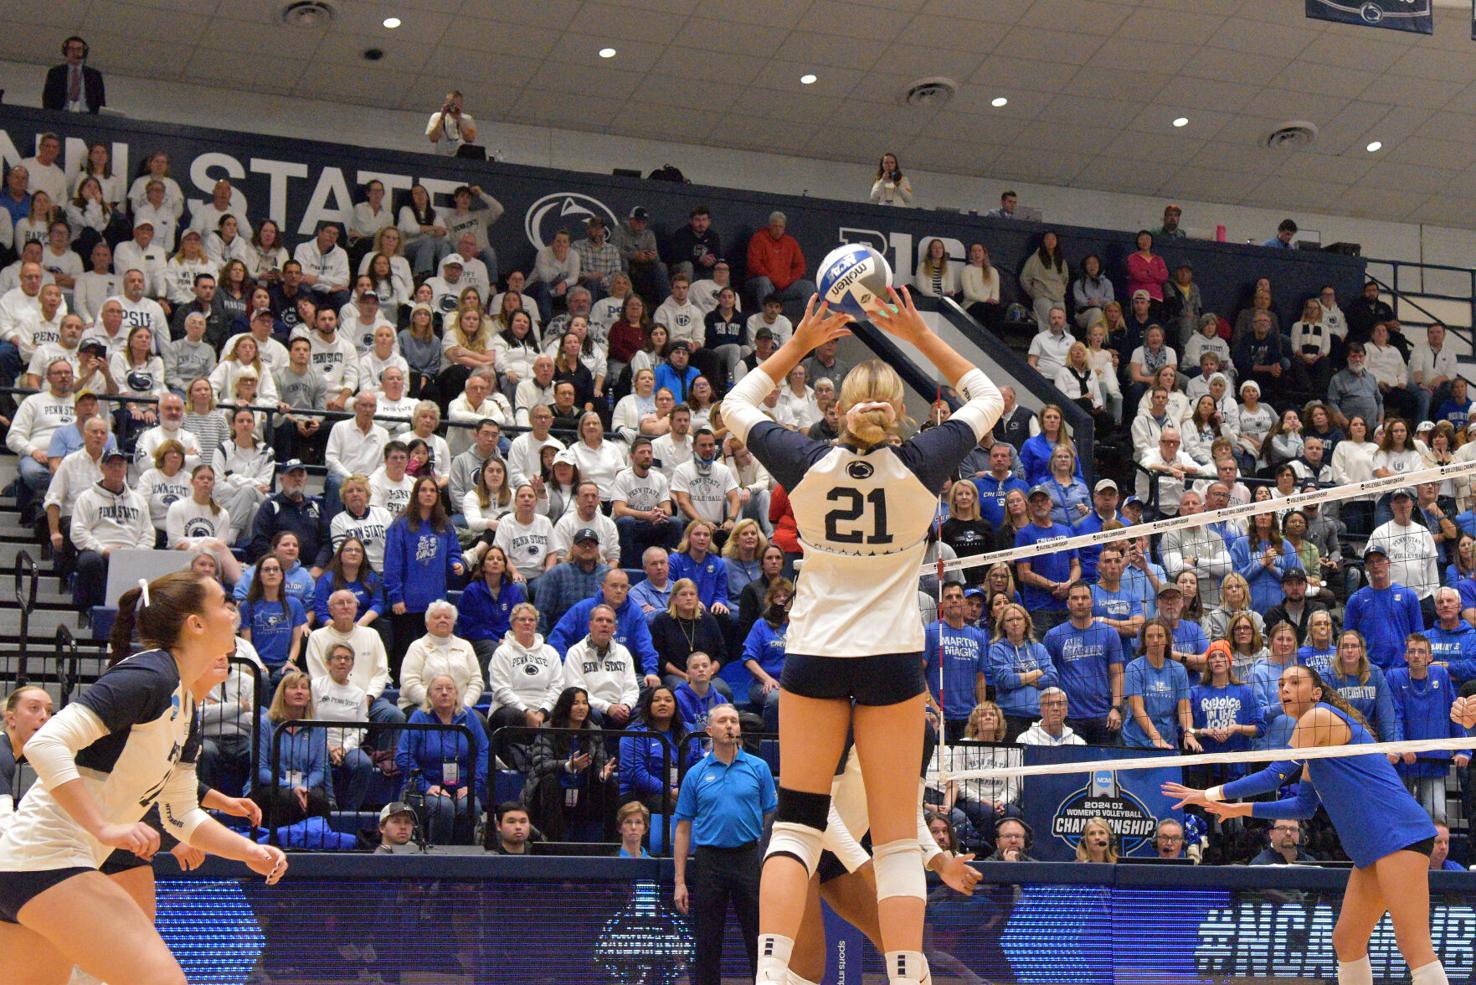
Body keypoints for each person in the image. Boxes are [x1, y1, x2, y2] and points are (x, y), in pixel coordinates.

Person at [719, 287, 1001, 985]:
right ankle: (907, 972)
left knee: (796, 824)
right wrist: (916, 335)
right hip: (891, 659)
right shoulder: (923, 460)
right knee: (897, 834)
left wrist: (798, 345)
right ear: (897, 412)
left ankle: (770, 973)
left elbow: (735, 405)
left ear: (838, 409)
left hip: (815, 654)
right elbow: (989, 395)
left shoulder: (807, 460)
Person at [0, 572, 287, 985]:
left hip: (22, 870)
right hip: (48, 860)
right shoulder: (151, 674)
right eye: (223, 604)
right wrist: (103, 827)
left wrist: (247, 851)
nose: (233, 612)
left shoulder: (184, 705)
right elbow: (46, 743)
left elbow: (180, 814)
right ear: (196, 624)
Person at [1169, 666, 1453, 985]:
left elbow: (1274, 776)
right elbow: (1303, 807)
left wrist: (1209, 793)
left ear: (1316, 693)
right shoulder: (1314, 741)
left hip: (1399, 833)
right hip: (1374, 847)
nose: (1284, 689)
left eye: (1295, 682)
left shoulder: (1318, 717)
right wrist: (1239, 809)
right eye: (1281, 684)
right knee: (1347, 940)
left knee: (1413, 944)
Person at [672, 703, 777, 985]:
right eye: (722, 721)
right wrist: (680, 881)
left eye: (734, 720)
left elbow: (771, 817)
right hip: (709, 862)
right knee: (707, 939)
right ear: (709, 730)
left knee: (759, 936)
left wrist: (769, 860)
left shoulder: (758, 768)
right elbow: (683, 828)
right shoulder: (695, 774)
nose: (730, 725)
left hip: (748, 858)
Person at [383, 475, 465, 675]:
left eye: (432, 490)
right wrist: (396, 596)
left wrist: (456, 563)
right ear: (416, 494)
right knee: (405, 652)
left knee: (432, 654)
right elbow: (392, 563)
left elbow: (453, 552)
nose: (428, 494)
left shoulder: (445, 525)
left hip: (434, 601)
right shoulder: (400, 525)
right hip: (406, 603)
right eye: (423, 490)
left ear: (438, 495)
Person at [1386, 634, 1469, 824]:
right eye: (1412, 651)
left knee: (1437, 816)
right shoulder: (1394, 676)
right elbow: (1394, 715)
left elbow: (1453, 712)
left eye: (1421, 651)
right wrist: (1400, 747)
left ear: (1430, 657)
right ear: (1405, 656)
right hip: (1405, 762)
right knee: (1403, 819)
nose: (1416, 655)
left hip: (1433, 762)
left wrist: (1463, 749)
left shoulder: (1441, 674)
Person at [396, 675, 488, 845]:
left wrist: (473, 785)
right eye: (438, 689)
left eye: (449, 688)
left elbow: (484, 751)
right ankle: (438, 853)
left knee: (470, 807)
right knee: (443, 806)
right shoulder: (419, 717)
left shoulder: (468, 716)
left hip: (461, 786)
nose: (444, 693)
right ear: (429, 695)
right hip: (424, 788)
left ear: (456, 693)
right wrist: (426, 786)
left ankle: (463, 853)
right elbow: (403, 756)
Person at [523, 686, 618, 841]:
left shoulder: (594, 731)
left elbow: (600, 763)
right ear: (565, 706)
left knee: (610, 786)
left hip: (583, 789)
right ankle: (554, 842)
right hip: (555, 789)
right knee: (549, 781)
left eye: (585, 703)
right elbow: (541, 764)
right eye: (575, 703)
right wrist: (567, 766)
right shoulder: (548, 729)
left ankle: (609, 843)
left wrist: (602, 774)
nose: (581, 707)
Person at [1042, 581, 1124, 745]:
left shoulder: (1109, 633)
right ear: (1068, 603)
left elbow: (1117, 674)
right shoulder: (1053, 636)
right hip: (1068, 717)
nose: (1080, 602)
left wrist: (1116, 708)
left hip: (1103, 715)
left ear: (1092, 602)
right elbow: (1049, 678)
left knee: (1104, 762)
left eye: (1085, 598)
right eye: (1075, 598)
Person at [487, 602, 562, 772]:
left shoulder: (550, 652)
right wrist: (526, 712)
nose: (527, 623)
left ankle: (553, 766)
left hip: (543, 708)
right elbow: (501, 689)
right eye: (522, 619)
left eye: (531, 619)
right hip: (508, 709)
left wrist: (542, 712)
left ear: (536, 623)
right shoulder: (502, 652)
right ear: (513, 624)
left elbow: (557, 686)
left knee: (562, 717)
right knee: (513, 717)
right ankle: (518, 768)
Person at [924, 582, 991, 743]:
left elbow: (980, 677)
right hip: (939, 716)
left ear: (964, 602)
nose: (954, 600)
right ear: (941, 604)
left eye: (958, 596)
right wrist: (932, 706)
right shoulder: (931, 631)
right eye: (949, 597)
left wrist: (980, 709)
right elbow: (918, 673)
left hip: (969, 717)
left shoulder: (977, 636)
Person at [1124, 618, 1201, 752]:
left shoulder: (1178, 670)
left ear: (1167, 640)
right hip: (1137, 742)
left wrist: (1188, 733)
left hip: (1168, 741)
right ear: (1144, 640)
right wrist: (1156, 738)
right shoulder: (1134, 668)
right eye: (1150, 636)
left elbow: (1184, 709)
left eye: (1159, 636)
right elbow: (1137, 709)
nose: (1155, 640)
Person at [1345, 546, 1425, 672]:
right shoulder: (1356, 599)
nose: (1376, 565)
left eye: (1379, 560)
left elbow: (1418, 634)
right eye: (1371, 562)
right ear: (1366, 567)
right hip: (1369, 670)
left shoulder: (1408, 595)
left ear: (1388, 562)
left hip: (1403, 668)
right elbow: (1349, 637)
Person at [0, 685, 52, 824]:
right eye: (34, 708)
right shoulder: (2, 755)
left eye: (49, 710)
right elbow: (2, 824)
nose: (44, 716)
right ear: (11, 718)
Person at [1248, 820, 1317, 865]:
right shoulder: (1259, 865)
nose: (1288, 833)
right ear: (1271, 834)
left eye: (1293, 829)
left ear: (1299, 834)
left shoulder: (1311, 863)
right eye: (1282, 828)